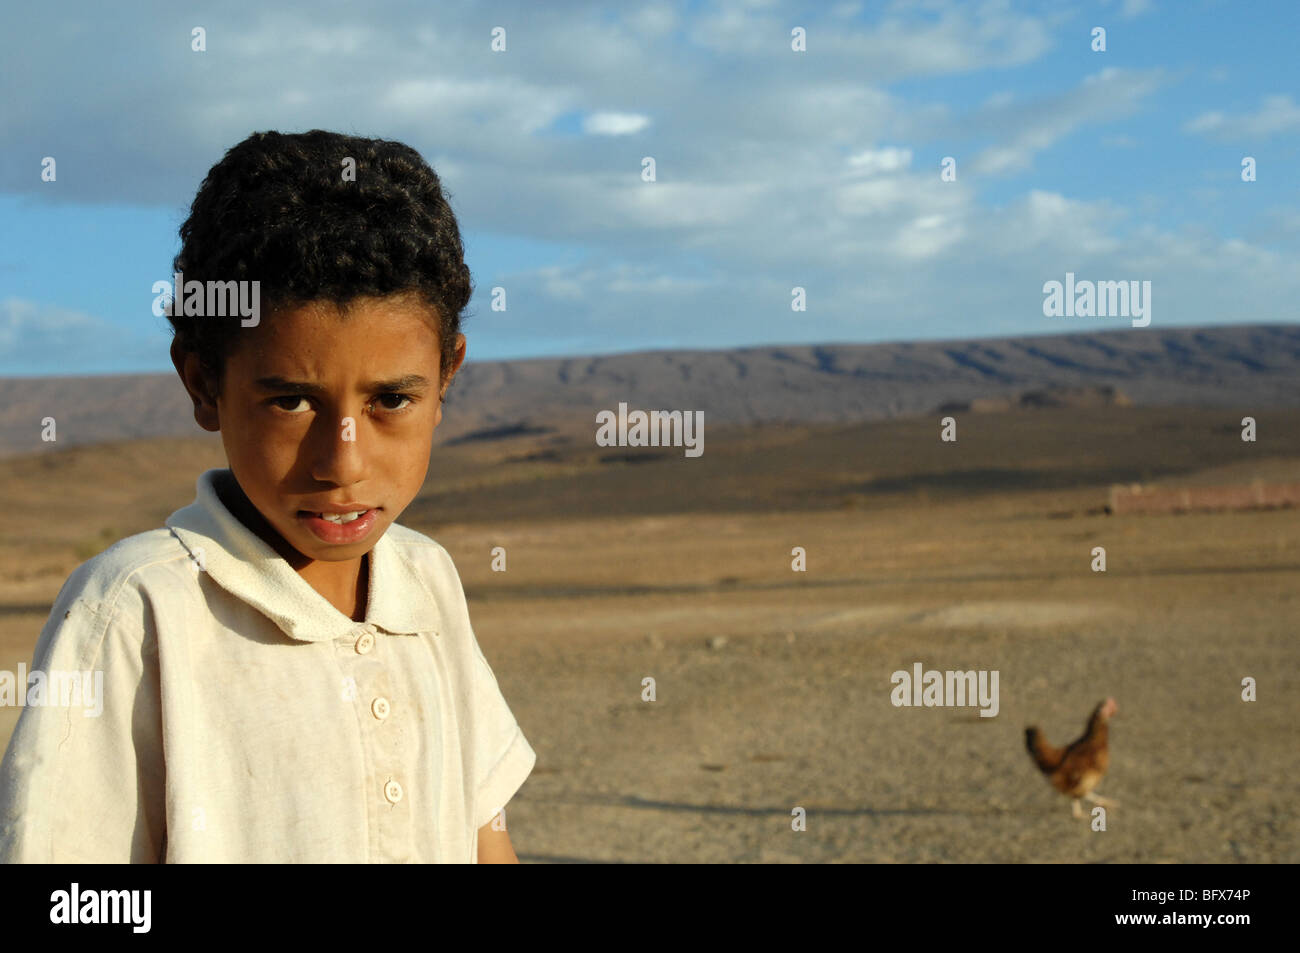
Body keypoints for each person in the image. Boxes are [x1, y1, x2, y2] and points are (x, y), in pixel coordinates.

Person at [0, 130, 535, 862]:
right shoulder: (135, 612)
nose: (342, 462)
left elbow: (484, 833)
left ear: (446, 376)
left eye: (390, 400)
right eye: (291, 402)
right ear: (203, 382)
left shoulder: (427, 580)